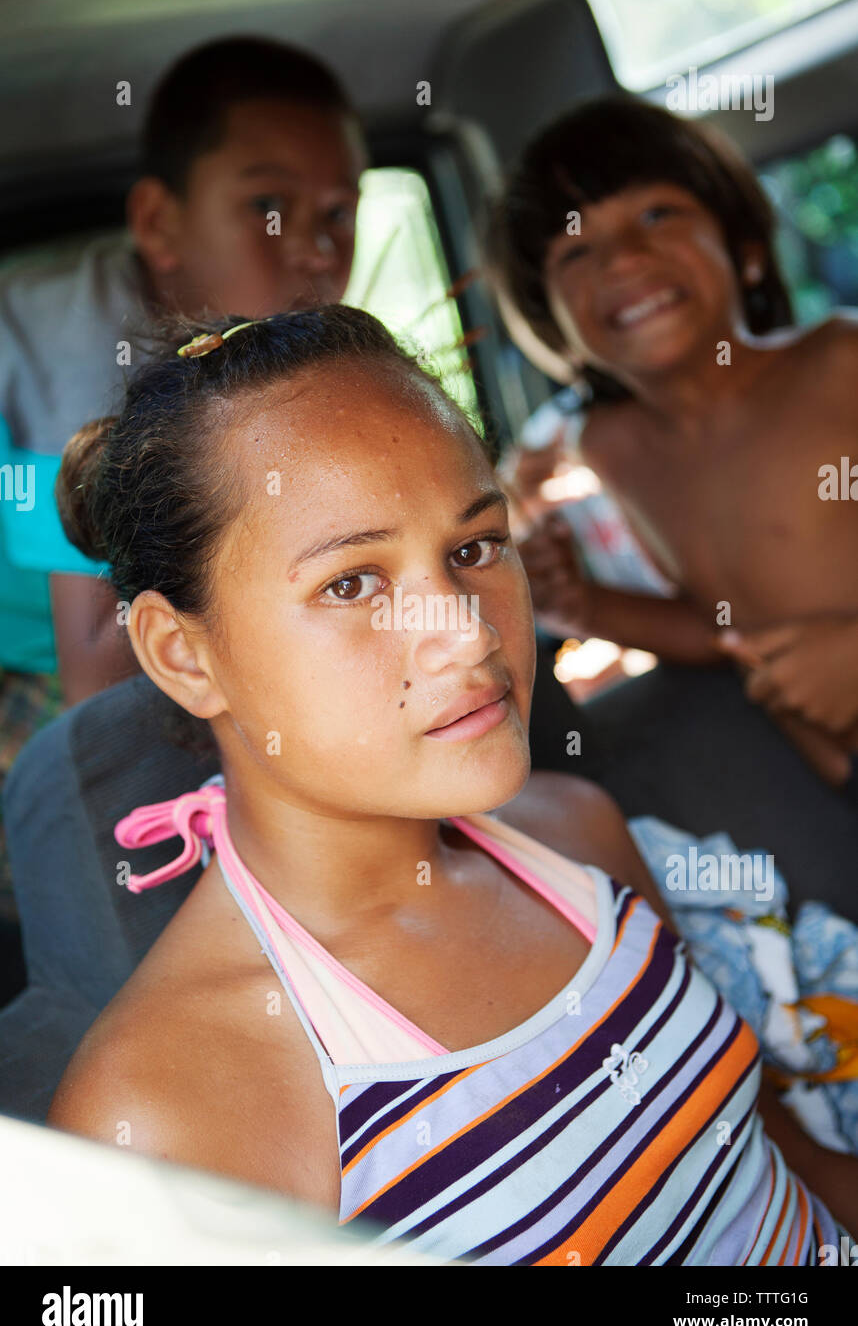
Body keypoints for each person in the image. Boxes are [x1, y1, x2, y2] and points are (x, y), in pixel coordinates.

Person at [45, 307, 856, 1263]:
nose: (470, 633)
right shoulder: (162, 1111)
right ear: (184, 655)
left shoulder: (572, 836)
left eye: (474, 549)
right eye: (353, 583)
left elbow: (781, 1166)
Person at [0, 35, 365, 905]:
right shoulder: (82, 352)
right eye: (269, 205)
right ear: (160, 224)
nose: (313, 248)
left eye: (337, 214)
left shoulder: (246, 356)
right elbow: (99, 676)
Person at [486, 96, 858, 900]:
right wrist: (584, 606)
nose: (621, 257)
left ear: (749, 252)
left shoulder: (840, 369)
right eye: (575, 252)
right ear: (555, 328)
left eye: (658, 214)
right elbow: (728, 632)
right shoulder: (611, 450)